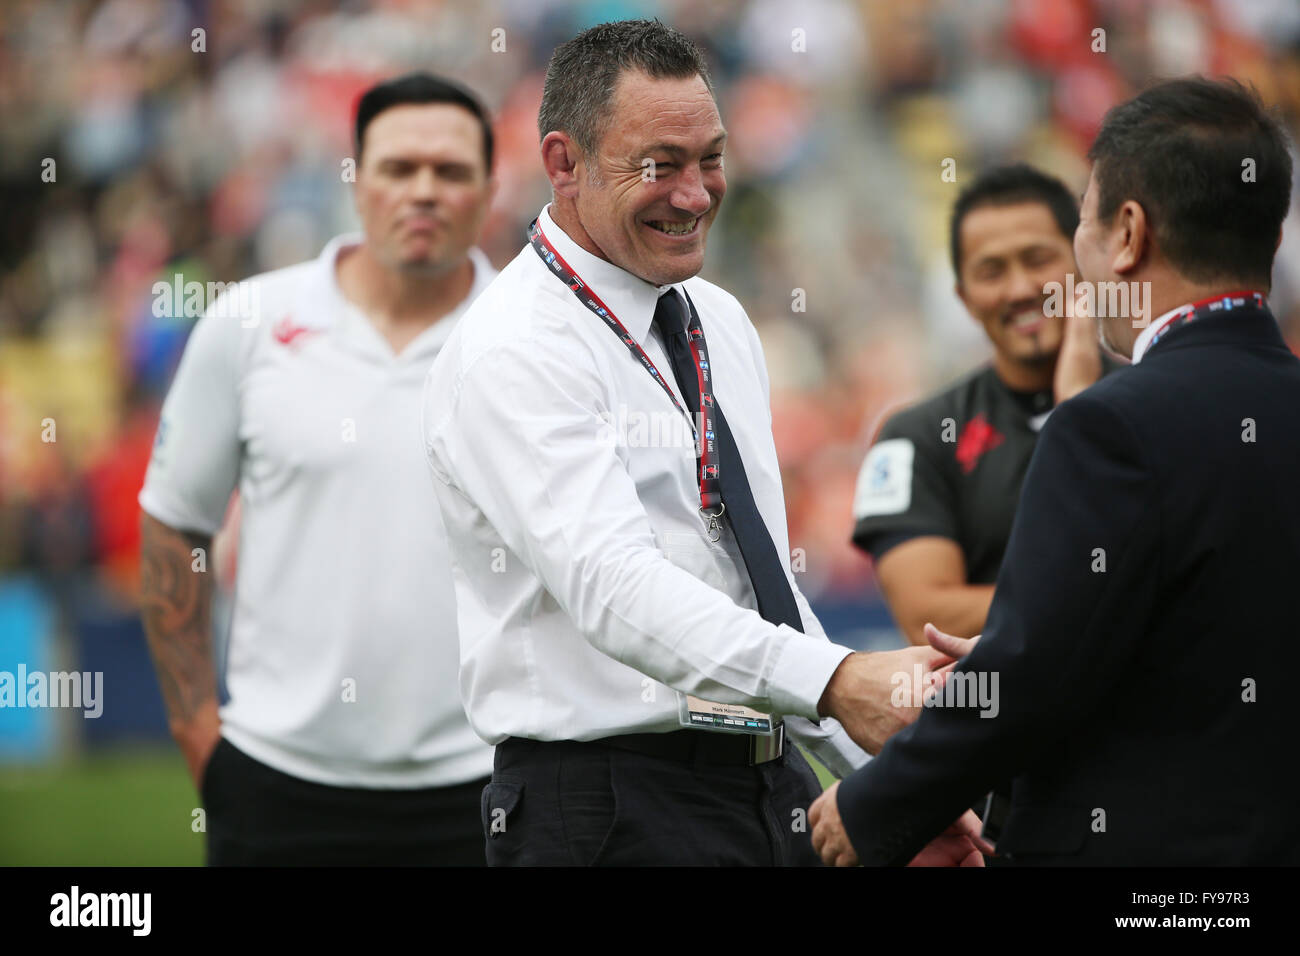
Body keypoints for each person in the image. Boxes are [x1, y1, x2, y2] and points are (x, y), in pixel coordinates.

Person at [421, 18, 975, 867]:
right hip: (604, 810)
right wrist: (837, 683)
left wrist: (883, 789)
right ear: (563, 163)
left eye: (709, 158)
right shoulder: (516, 347)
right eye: (659, 165)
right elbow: (614, 589)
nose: (694, 193)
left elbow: (761, 601)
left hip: (764, 786)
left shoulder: (715, 319)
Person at [811, 76, 1300, 866]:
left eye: (1077, 224)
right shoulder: (935, 429)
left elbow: (1030, 673)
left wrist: (874, 807)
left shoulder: (1108, 425)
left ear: (1129, 233)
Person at [138, 73, 498, 865]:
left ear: (489, 187)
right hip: (277, 787)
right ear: (356, 178)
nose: (424, 191)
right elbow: (174, 522)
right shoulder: (249, 324)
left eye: (451, 171)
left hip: (489, 787)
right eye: (399, 168)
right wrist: (198, 730)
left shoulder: (533, 341)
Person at [852, 163, 1121, 648]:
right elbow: (928, 619)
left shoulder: (1155, 405)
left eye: (1037, 259)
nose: (1019, 289)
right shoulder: (917, 437)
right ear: (965, 297)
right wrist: (1108, 597)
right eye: (991, 271)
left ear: (1081, 267)